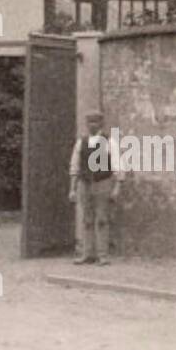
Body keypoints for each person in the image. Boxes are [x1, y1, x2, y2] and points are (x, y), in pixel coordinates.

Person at [68, 110, 122, 265]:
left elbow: (118, 165)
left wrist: (117, 187)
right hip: (85, 184)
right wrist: (72, 188)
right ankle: (87, 254)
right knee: (87, 219)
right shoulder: (81, 142)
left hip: (103, 183)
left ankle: (103, 255)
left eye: (95, 122)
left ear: (101, 124)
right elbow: (75, 166)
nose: (92, 125)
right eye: (89, 122)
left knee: (102, 219)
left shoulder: (109, 142)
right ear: (86, 124)